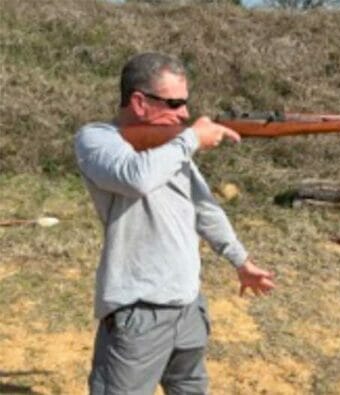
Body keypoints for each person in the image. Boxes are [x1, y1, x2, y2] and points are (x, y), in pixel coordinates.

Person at [75, 52, 275, 394]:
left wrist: (240, 260)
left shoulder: (173, 147)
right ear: (139, 102)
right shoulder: (97, 139)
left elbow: (204, 208)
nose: (184, 113)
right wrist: (192, 139)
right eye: (174, 103)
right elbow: (135, 178)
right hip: (138, 313)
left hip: (188, 307)